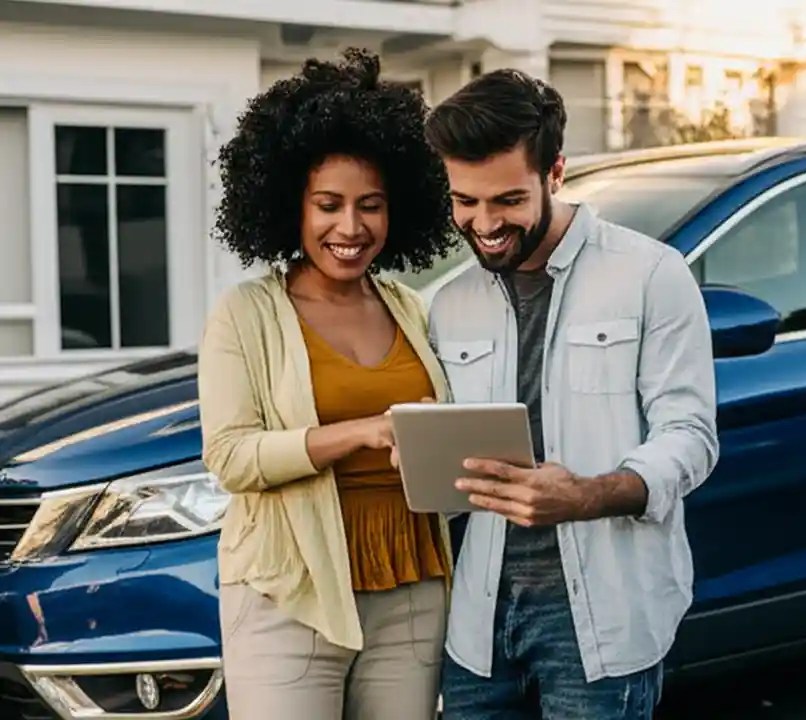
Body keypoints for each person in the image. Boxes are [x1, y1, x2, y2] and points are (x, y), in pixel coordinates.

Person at [423, 68, 720, 719]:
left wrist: (584, 496)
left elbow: (691, 440)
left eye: (506, 200)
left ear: (555, 173)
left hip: (603, 623)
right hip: (477, 626)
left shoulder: (651, 276)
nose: (484, 223)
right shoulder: (448, 305)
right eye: (464, 202)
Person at [197, 48, 457, 720]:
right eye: (329, 205)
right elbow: (231, 457)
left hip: (411, 583)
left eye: (370, 205)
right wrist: (359, 433)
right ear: (291, 206)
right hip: (291, 588)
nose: (351, 227)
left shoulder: (411, 308)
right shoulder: (245, 315)